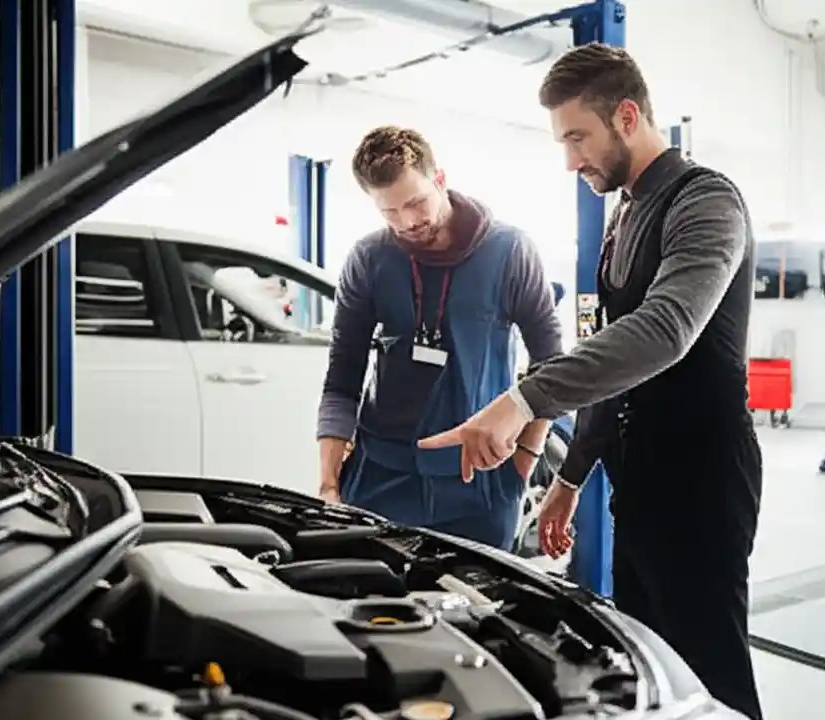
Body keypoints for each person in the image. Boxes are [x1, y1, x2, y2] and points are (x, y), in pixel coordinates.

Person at [418, 45, 764, 720]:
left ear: (627, 115)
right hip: (641, 480)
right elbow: (615, 360)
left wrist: (521, 402)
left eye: (577, 137)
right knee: (650, 670)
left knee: (712, 673)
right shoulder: (624, 212)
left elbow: (665, 331)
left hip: (703, 478)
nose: (570, 159)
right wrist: (569, 481)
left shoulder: (708, 203)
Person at [317, 126, 563, 551]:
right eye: (389, 212)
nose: (407, 222)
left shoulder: (510, 251)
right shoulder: (369, 258)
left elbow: (551, 362)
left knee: (474, 611)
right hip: (380, 477)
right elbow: (343, 375)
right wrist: (327, 482)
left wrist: (526, 459)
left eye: (416, 202)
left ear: (441, 179)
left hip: (480, 483)